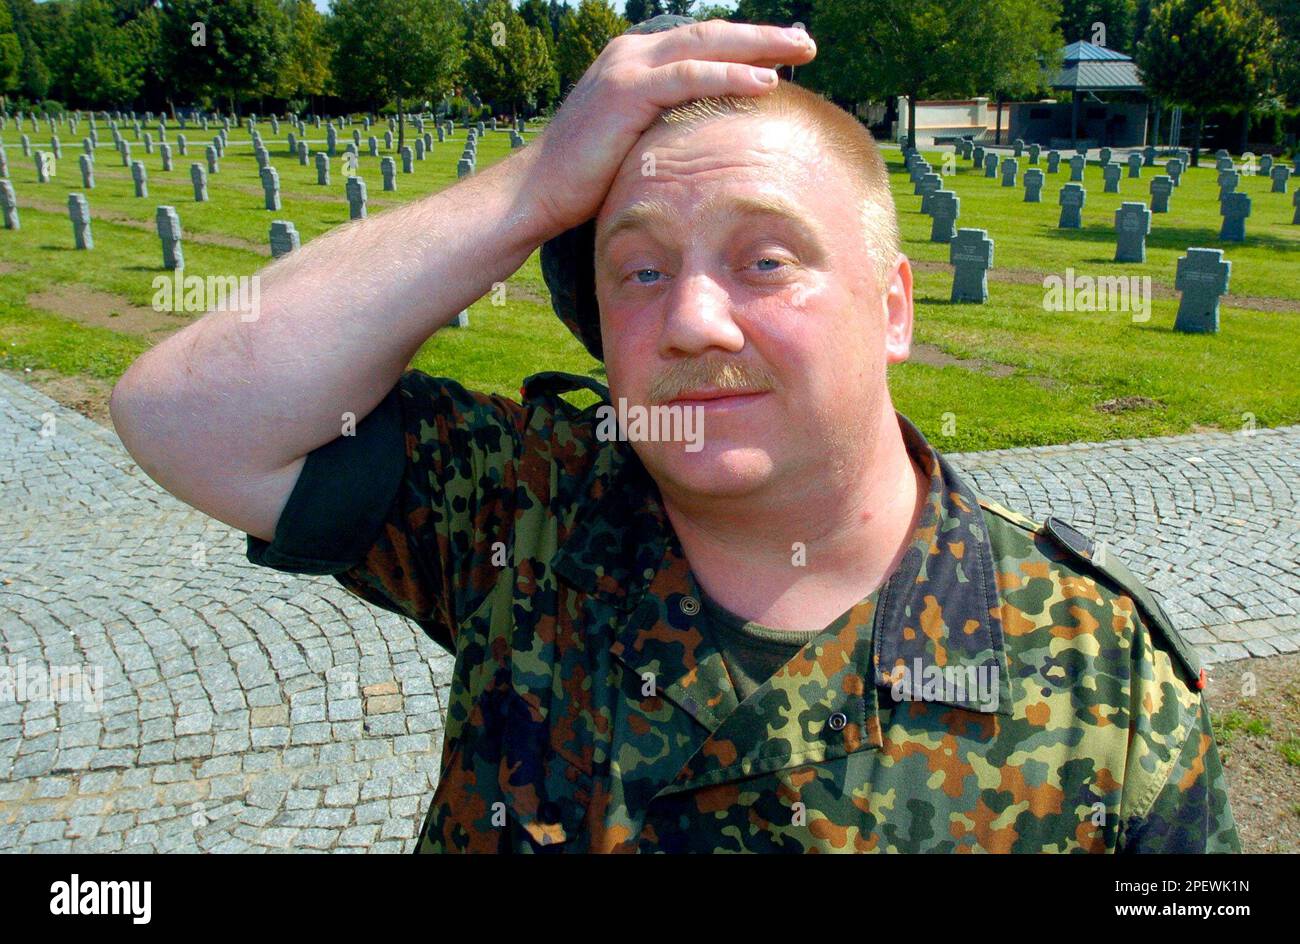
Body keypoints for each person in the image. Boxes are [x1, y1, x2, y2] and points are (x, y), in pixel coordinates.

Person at [110, 17, 1239, 853]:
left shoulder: (1106, 680)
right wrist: (532, 190)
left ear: (892, 306)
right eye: (639, 271)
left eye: (765, 260)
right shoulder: (522, 511)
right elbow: (185, 415)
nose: (692, 321)